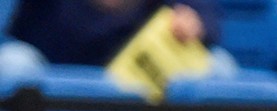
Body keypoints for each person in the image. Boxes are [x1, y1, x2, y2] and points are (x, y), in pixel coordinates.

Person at [0, 0, 237, 79]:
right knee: (14, 62)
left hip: (145, 88)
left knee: (219, 68)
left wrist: (194, 21)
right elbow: (22, 27)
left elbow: (207, 16)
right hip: (57, 77)